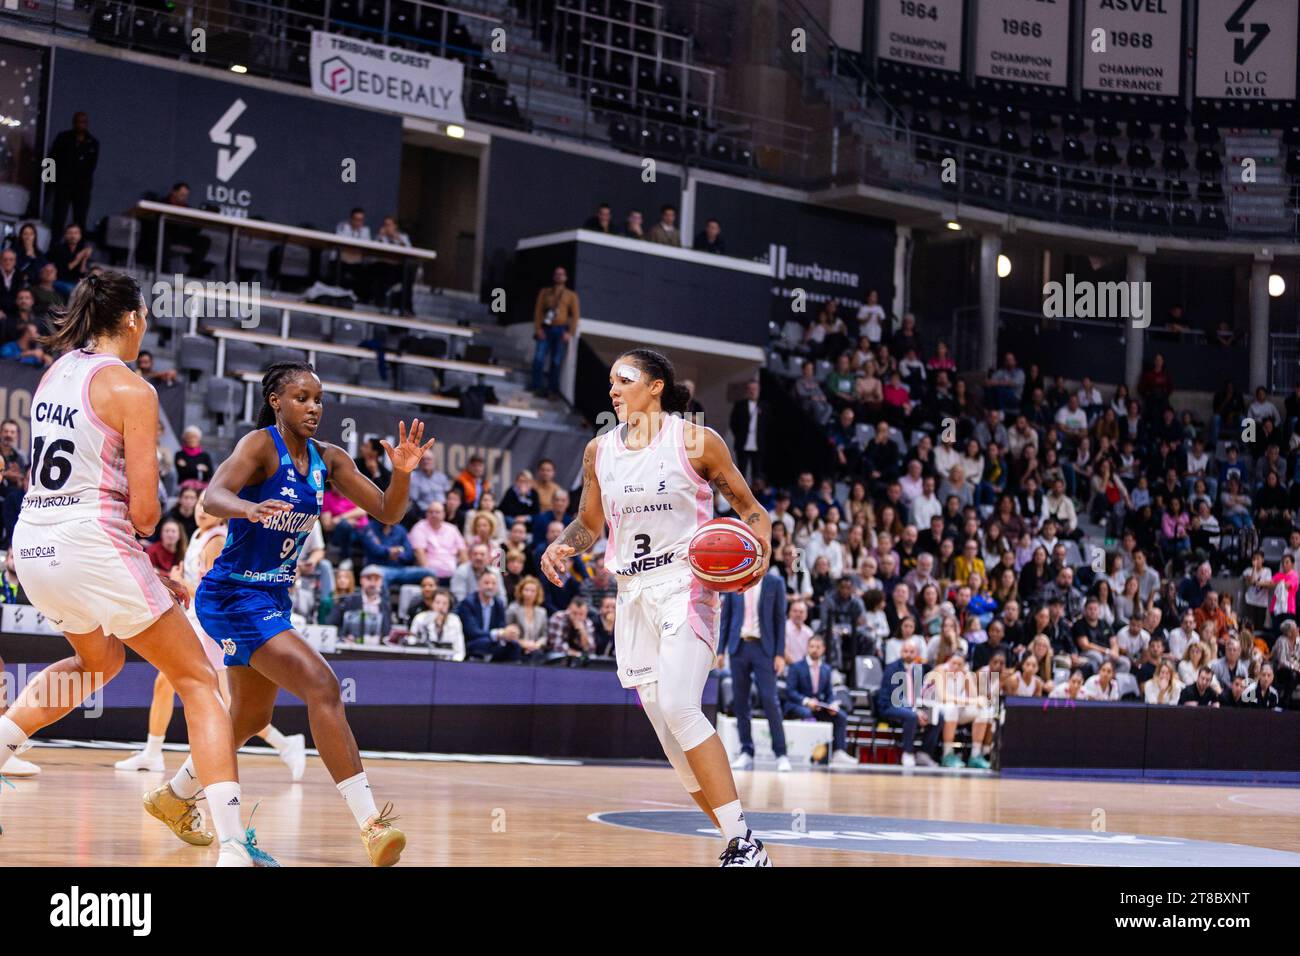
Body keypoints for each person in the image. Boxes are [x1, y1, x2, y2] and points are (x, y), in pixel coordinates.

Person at [1, 271, 275, 866]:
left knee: (98, 660)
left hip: (33, 543)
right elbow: (146, 513)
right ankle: (232, 846)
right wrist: (142, 547)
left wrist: (146, 571)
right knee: (200, 682)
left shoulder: (55, 373)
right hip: (91, 541)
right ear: (131, 319)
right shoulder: (133, 389)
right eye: (145, 313)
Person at [181, 362, 433, 866]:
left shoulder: (329, 460)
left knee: (251, 716)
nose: (314, 407)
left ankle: (173, 792)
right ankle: (371, 824)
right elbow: (213, 494)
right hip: (231, 595)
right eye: (302, 397)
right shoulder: (258, 445)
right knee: (322, 685)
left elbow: (387, 511)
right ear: (276, 400)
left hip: (270, 600)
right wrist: (246, 508)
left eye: (318, 398)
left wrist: (401, 474)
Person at [540, 347, 775, 866]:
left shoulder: (695, 442)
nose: (613, 390)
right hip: (632, 596)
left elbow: (752, 511)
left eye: (623, 380)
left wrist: (760, 555)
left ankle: (742, 843)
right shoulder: (599, 450)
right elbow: (590, 524)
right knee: (672, 741)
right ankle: (743, 843)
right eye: (610, 383)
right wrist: (562, 544)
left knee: (680, 706)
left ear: (654, 387)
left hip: (685, 586)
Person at [116, 494, 305, 780]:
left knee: (224, 701)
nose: (201, 510)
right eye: (199, 505)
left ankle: (285, 744)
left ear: (220, 512)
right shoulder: (197, 535)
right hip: (193, 621)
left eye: (208, 505)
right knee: (164, 684)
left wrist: (179, 582)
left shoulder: (216, 539)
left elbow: (212, 590)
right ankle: (152, 753)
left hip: (208, 623)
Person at [720, 567, 791, 772]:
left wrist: (779, 654)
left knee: (770, 700)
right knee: (740, 702)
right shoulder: (736, 580)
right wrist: (721, 650)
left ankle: (781, 753)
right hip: (738, 647)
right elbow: (726, 618)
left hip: (764, 648)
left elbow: (780, 620)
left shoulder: (775, 583)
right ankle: (746, 751)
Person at [782, 634, 854, 766]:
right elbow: (790, 692)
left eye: (818, 647)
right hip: (797, 705)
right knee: (806, 713)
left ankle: (839, 752)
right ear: (807, 648)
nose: (814, 649)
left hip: (818, 706)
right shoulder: (796, 667)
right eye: (812, 646)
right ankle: (807, 753)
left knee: (841, 716)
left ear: (823, 649)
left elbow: (829, 693)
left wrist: (832, 704)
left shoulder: (826, 669)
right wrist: (806, 701)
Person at [876, 636, 939, 766]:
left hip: (911, 707)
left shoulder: (919, 669)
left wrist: (924, 708)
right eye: (905, 651)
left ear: (916, 653)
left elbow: (921, 694)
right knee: (911, 716)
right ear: (901, 652)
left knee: (938, 715)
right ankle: (908, 753)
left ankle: (924, 753)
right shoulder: (892, 668)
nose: (908, 654)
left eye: (911, 651)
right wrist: (916, 712)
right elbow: (896, 697)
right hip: (889, 706)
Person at [531, 266, 580, 397]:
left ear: (565, 277)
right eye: (557, 274)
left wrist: (570, 332)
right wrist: (538, 329)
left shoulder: (571, 295)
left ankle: (552, 389)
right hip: (546, 328)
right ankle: (536, 386)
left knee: (556, 361)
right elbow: (538, 312)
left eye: (561, 274)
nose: (559, 276)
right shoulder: (545, 292)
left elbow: (575, 316)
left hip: (560, 329)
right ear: (554, 276)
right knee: (538, 358)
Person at [48, 111, 99, 233]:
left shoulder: (93, 143)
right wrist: (49, 182)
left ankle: (77, 248)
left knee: (80, 219)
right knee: (58, 218)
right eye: (78, 121)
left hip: (81, 188)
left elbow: (91, 167)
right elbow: (50, 159)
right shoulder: (63, 138)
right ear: (74, 123)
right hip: (63, 185)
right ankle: (54, 246)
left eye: (84, 122)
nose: (81, 124)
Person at [406, 585, 465, 660]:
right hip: (423, 661)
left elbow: (460, 650)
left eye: (445, 603)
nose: (441, 606)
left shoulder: (455, 620)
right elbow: (411, 642)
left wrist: (454, 664)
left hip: (448, 663)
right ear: (432, 603)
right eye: (437, 602)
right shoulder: (420, 618)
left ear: (449, 606)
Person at [728, 379, 767, 484]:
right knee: (741, 472)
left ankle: (755, 496)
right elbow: (733, 423)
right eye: (750, 389)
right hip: (743, 442)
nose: (752, 391)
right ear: (747, 391)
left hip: (758, 443)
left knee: (757, 473)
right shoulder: (740, 405)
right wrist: (739, 435)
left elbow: (767, 425)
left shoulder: (764, 406)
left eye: (755, 389)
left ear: (758, 390)